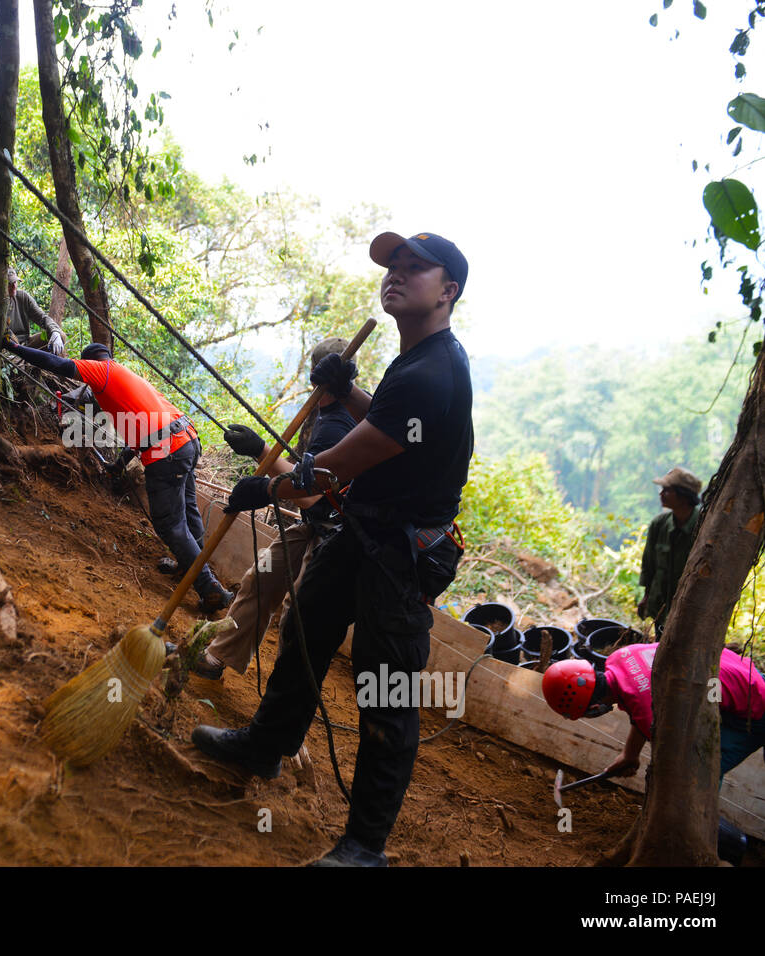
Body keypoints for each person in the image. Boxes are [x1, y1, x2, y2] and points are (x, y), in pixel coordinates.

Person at [190, 231, 472, 867]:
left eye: (414, 268)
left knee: (383, 689)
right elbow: (390, 427)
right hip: (365, 534)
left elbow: (336, 467)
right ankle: (266, 743)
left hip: (399, 555)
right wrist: (346, 390)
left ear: (447, 291)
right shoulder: (417, 359)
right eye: (392, 265)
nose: (396, 274)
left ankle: (365, 846)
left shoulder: (433, 372)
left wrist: (269, 484)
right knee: (306, 629)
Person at [3, 337, 234, 613]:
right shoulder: (129, 378)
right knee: (187, 511)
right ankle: (190, 567)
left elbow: (59, 364)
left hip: (167, 452)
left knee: (170, 524)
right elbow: (145, 429)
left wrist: (14, 348)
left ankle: (210, 588)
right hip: (185, 440)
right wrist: (119, 464)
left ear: (91, 362)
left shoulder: (103, 371)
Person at [192, 336, 358, 681]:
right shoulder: (322, 412)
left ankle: (281, 715)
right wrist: (262, 454)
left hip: (337, 535)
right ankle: (217, 656)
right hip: (314, 524)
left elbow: (314, 495)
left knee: (297, 614)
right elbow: (303, 479)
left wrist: (261, 455)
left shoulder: (340, 423)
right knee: (262, 577)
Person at [542, 644, 765, 781]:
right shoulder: (620, 657)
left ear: (593, 709)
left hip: (754, 709)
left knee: (697, 770)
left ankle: (701, 839)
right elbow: (640, 705)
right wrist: (630, 755)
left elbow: (674, 752)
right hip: (743, 675)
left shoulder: (648, 709)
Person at [638, 467, 702, 634]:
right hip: (660, 604)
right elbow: (649, 564)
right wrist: (646, 597)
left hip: (688, 609)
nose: (661, 494)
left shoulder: (703, 527)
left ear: (684, 496)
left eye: (667, 491)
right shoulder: (659, 525)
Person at [6, 267, 66, 356]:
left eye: (15, 282)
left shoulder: (22, 297)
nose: (14, 286)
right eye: (10, 283)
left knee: (60, 336)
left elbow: (42, 317)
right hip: (7, 348)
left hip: (26, 344)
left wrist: (55, 332)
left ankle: (55, 367)